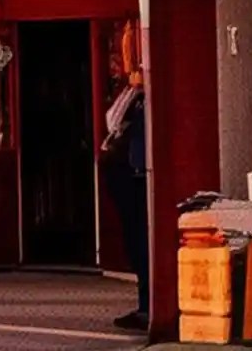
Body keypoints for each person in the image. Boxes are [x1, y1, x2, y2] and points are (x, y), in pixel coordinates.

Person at [103, 84, 149, 331]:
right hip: (128, 179)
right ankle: (145, 304)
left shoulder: (142, 101)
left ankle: (148, 305)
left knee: (142, 243)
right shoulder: (133, 97)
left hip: (137, 178)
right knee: (136, 243)